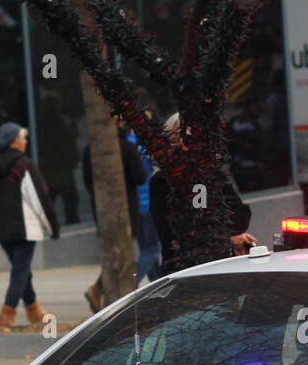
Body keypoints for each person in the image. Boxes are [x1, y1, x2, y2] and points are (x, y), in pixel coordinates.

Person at [0, 122, 58, 330]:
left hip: (2, 231)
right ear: (13, 142)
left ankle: (34, 310)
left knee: (22, 270)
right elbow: (40, 198)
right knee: (20, 272)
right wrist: (53, 226)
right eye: (22, 138)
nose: (26, 142)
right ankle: (6, 314)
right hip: (25, 230)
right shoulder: (25, 165)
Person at [148, 113, 256, 268]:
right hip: (184, 266)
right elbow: (172, 232)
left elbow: (240, 213)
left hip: (219, 262)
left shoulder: (211, 173)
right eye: (179, 134)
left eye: (191, 133)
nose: (184, 140)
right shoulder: (162, 180)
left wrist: (231, 236)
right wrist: (228, 238)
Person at [82, 119, 151, 313]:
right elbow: (139, 177)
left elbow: (88, 182)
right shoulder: (128, 147)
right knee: (129, 253)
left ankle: (101, 290)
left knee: (114, 251)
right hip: (126, 208)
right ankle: (103, 289)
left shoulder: (90, 149)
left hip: (101, 209)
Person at [35, 90, 82, 225]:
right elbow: (64, 141)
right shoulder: (50, 121)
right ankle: (66, 219)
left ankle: (54, 220)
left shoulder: (52, 120)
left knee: (60, 195)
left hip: (57, 166)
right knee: (64, 195)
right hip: (56, 166)